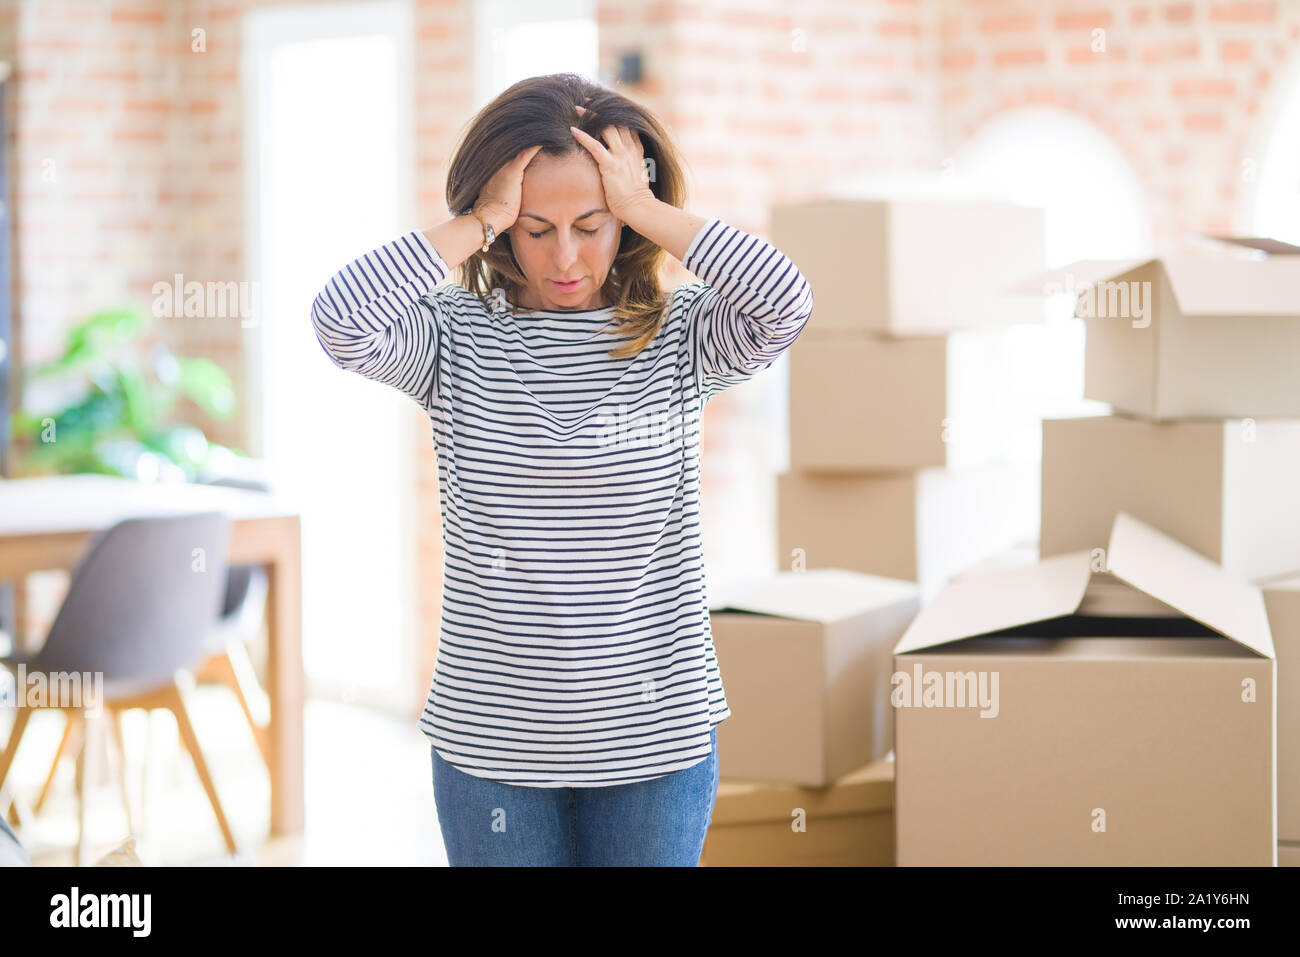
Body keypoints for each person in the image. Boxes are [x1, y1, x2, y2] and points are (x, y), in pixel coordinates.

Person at [310, 73, 813, 866]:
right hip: (492, 747)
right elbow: (340, 321)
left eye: (592, 222)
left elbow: (786, 302)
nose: (566, 256)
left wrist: (646, 206)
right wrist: (473, 223)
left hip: (655, 740)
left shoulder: (684, 336)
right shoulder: (454, 338)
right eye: (535, 228)